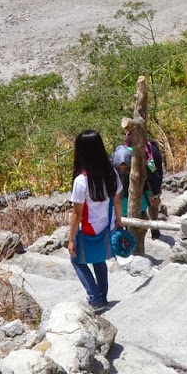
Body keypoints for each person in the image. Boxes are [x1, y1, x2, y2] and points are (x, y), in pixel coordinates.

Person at [68, 131, 119, 310]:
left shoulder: (81, 181)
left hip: (88, 229)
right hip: (107, 226)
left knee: (76, 260)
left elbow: (77, 214)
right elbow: (117, 200)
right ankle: (102, 297)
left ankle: (95, 298)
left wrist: (71, 239)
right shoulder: (112, 174)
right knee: (98, 259)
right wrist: (119, 221)